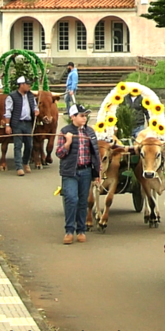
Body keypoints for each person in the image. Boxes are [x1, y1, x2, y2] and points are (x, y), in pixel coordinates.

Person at [56, 104, 101, 245]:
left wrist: (97, 173)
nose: (84, 118)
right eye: (81, 116)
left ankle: (81, 230)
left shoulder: (90, 132)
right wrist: (68, 142)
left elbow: (95, 154)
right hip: (70, 171)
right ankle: (69, 231)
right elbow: (59, 154)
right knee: (71, 199)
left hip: (86, 171)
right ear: (73, 117)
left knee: (83, 202)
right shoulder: (65, 131)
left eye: (85, 116)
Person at [4, 76, 39, 176]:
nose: (29, 86)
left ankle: (25, 162)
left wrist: (36, 110)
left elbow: (34, 106)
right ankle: (19, 167)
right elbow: (8, 111)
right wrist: (7, 125)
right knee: (18, 145)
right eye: (27, 84)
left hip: (28, 123)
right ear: (21, 85)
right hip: (17, 123)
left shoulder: (30, 95)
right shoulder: (12, 96)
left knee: (29, 145)